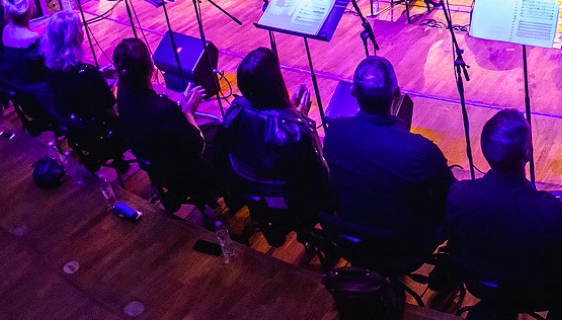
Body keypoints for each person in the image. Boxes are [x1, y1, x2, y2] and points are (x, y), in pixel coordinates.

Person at [444, 109, 562, 320]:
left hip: (481, 284)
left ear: (484, 150)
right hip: (538, 294)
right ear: (528, 153)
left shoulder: (459, 195)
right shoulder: (548, 209)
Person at [322, 56, 454, 266]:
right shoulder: (422, 150)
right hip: (403, 250)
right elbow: (451, 197)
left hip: (351, 240)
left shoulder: (334, 133)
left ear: (353, 93)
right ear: (397, 95)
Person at [220, 47, 332, 226]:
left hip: (253, 196)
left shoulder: (236, 109)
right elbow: (314, 177)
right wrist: (301, 120)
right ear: (275, 81)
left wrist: (289, 113)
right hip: (294, 204)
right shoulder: (295, 130)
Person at [112, 36, 212, 176]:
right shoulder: (162, 108)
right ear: (149, 67)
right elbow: (198, 146)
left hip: (153, 165)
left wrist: (177, 108)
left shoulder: (119, 92)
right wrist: (188, 113)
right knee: (218, 132)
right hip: (181, 172)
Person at [38, 9, 114, 124]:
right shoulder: (87, 74)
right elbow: (112, 113)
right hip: (97, 128)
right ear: (78, 36)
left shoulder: (46, 68)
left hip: (71, 128)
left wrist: (98, 76)